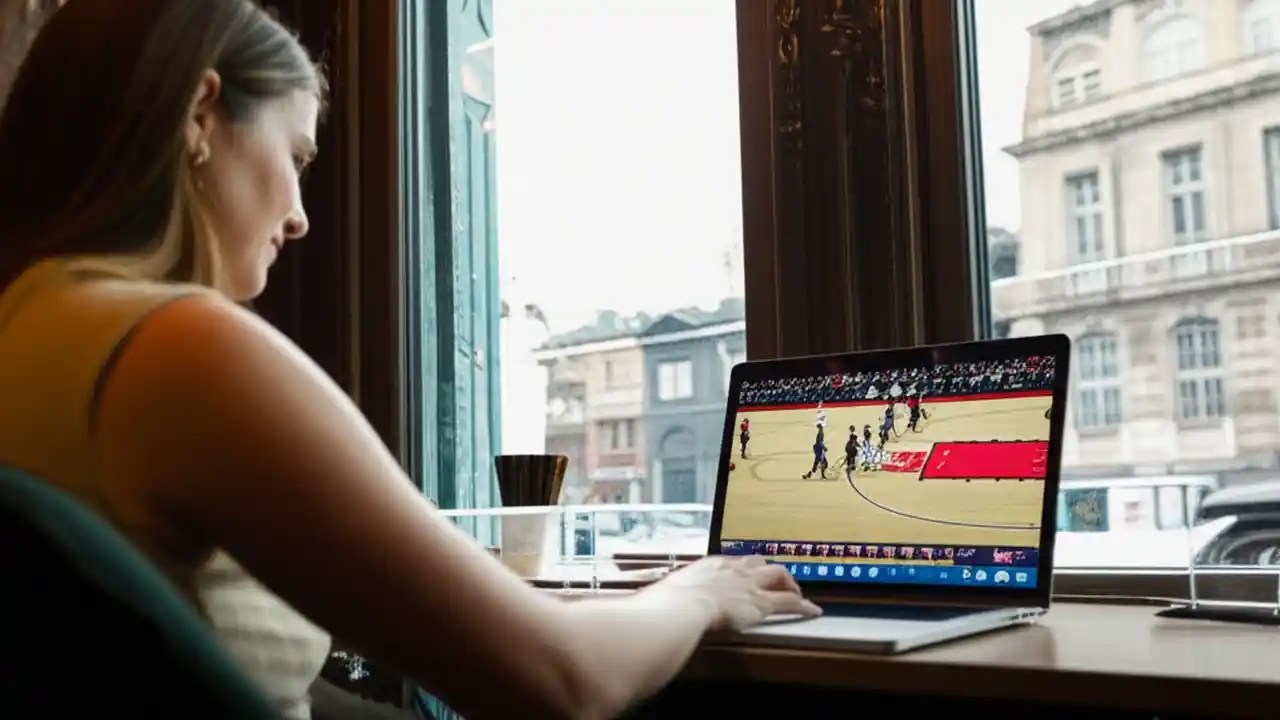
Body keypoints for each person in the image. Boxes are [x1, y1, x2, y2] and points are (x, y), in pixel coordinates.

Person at [0, 2, 819, 718]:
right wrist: (703, 590)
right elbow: (563, 685)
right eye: (298, 159)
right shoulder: (176, 350)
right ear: (200, 114)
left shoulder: (30, 331)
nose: (298, 219)